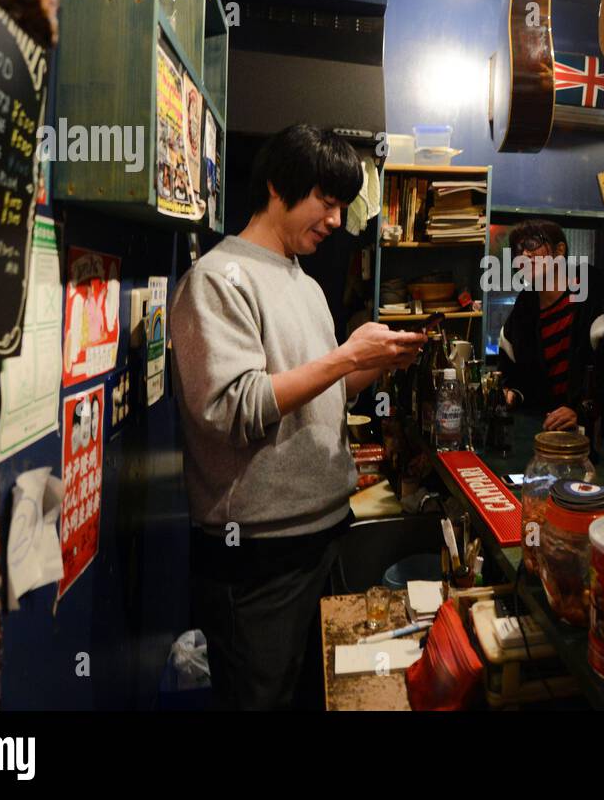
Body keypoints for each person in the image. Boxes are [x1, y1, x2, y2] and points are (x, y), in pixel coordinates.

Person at [170, 125, 425, 709]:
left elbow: (313, 391)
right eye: (326, 202)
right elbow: (234, 408)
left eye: (341, 206)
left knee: (320, 697)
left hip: (323, 537)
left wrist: (372, 363)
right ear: (277, 188)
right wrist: (344, 356)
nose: (337, 221)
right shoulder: (217, 279)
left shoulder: (302, 281)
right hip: (259, 557)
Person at [497, 219, 604, 450]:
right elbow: (512, 377)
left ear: (559, 251)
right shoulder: (522, 313)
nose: (524, 253)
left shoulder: (599, 297)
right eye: (518, 249)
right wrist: (511, 394)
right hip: (545, 438)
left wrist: (581, 411)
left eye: (532, 244)